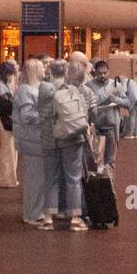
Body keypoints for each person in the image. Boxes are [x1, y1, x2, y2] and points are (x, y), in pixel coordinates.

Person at [46, 58, 90, 231]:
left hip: (55, 138)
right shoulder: (79, 92)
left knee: (53, 178)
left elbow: (47, 114)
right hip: (74, 140)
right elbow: (86, 114)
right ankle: (75, 218)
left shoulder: (52, 90)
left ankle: (50, 216)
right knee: (73, 178)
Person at [13, 59, 47, 224]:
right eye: (41, 66)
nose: (44, 68)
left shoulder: (34, 89)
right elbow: (27, 116)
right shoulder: (26, 91)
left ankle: (37, 210)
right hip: (31, 139)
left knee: (39, 178)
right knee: (34, 179)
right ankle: (32, 213)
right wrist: (46, 115)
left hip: (37, 139)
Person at [88, 59, 131, 172]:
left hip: (111, 127)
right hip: (96, 128)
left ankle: (110, 185)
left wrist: (115, 99)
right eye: (99, 73)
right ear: (94, 73)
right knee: (96, 161)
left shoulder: (116, 84)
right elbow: (91, 102)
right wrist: (108, 95)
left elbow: (128, 103)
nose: (102, 75)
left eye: (105, 73)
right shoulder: (89, 86)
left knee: (110, 161)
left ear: (109, 71)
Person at [0, 60, 19, 187]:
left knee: (8, 151)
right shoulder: (0, 87)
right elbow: (7, 105)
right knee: (9, 152)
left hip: (4, 120)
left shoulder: (0, 85)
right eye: (9, 74)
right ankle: (7, 179)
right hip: (6, 120)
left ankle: (6, 178)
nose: (11, 77)